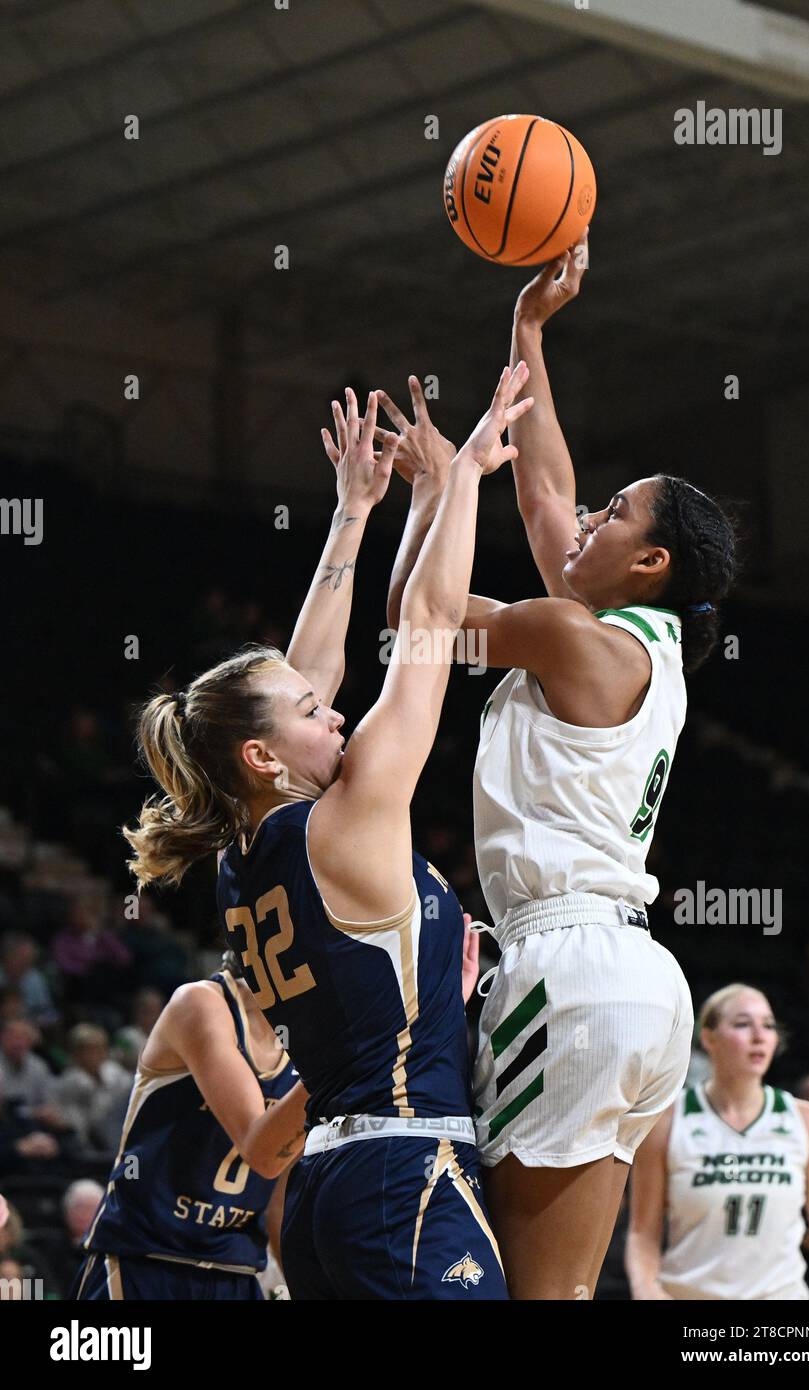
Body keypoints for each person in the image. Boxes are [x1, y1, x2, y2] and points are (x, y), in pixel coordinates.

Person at [378, 233, 737, 1298]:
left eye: (615, 513)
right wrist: (528, 329)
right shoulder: (637, 643)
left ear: (650, 562)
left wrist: (439, 493)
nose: (586, 515)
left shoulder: (574, 639)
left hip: (567, 969)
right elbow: (543, 503)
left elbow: (419, 621)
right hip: (634, 986)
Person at [123, 369, 532, 1299]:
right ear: (267, 757)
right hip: (404, 1176)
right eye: (318, 714)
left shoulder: (242, 854)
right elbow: (426, 625)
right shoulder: (345, 820)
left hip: (322, 1193)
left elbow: (299, 672)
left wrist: (356, 512)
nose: (337, 715)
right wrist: (463, 477)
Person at [73, 955, 305, 1301]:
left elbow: (279, 1202)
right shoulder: (201, 1003)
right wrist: (343, 1066)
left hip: (235, 1273)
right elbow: (261, 1151)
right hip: (146, 1263)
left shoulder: (306, 1043)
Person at [626, 983, 809, 1300]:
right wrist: (646, 1288)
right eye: (742, 1024)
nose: (759, 1035)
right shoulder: (668, 1122)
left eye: (767, 1025)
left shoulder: (806, 1122)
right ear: (708, 1038)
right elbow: (643, 1232)